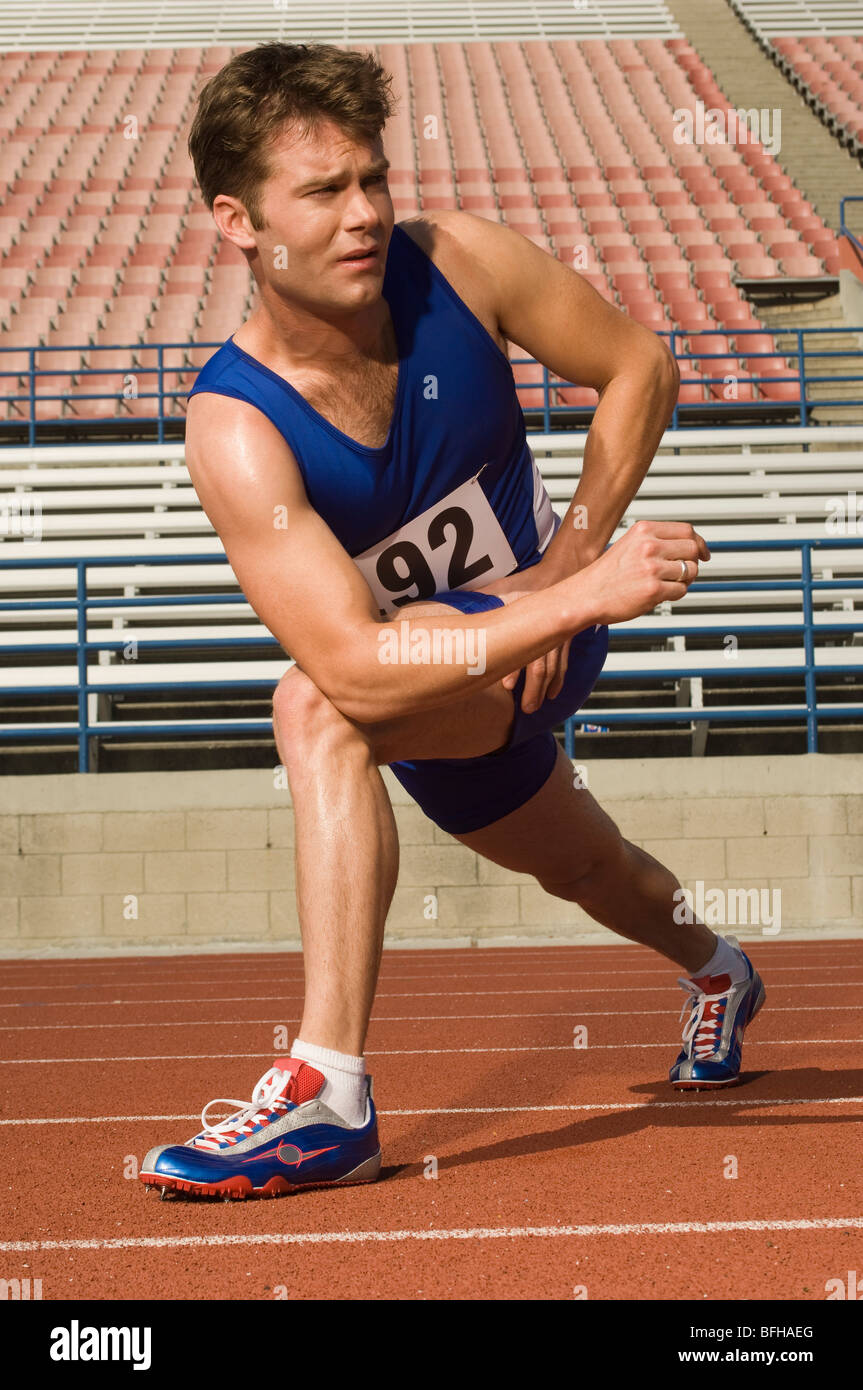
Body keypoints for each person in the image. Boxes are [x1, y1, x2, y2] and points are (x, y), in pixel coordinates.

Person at [140, 42, 765, 1201]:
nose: (364, 213)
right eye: (322, 193)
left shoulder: (461, 264)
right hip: (437, 690)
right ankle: (719, 968)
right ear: (237, 220)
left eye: (371, 178)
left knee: (306, 707)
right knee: (593, 872)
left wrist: (570, 559)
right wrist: (581, 589)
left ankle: (327, 1093)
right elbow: (368, 670)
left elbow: (638, 365)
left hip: (544, 640)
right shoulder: (235, 428)